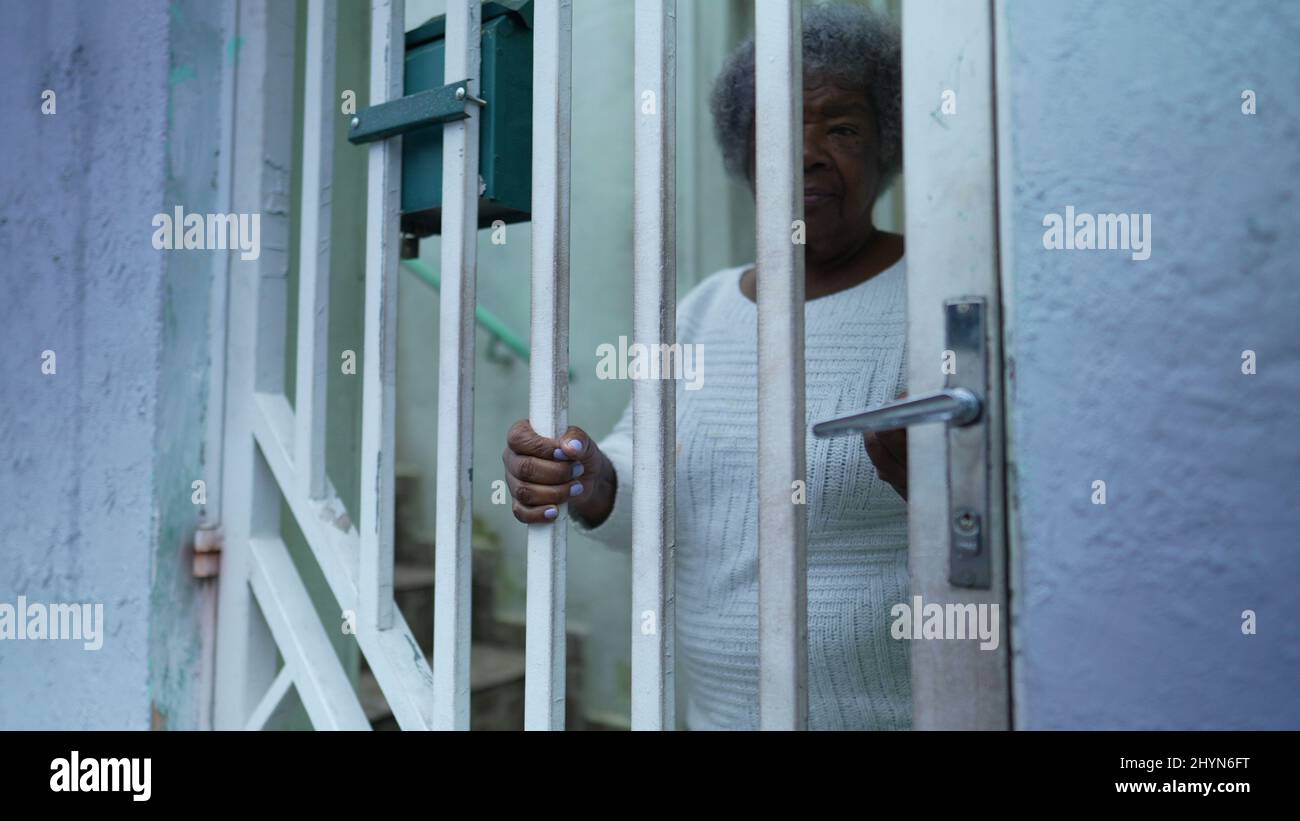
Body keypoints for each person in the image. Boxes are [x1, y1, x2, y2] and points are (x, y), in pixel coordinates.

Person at [502, 3, 909, 730]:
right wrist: (593, 477)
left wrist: (932, 488)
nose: (808, 151)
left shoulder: (939, 297)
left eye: (842, 126)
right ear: (744, 152)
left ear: (888, 146)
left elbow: (1007, 522)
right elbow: (641, 484)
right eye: (780, 126)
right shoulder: (702, 310)